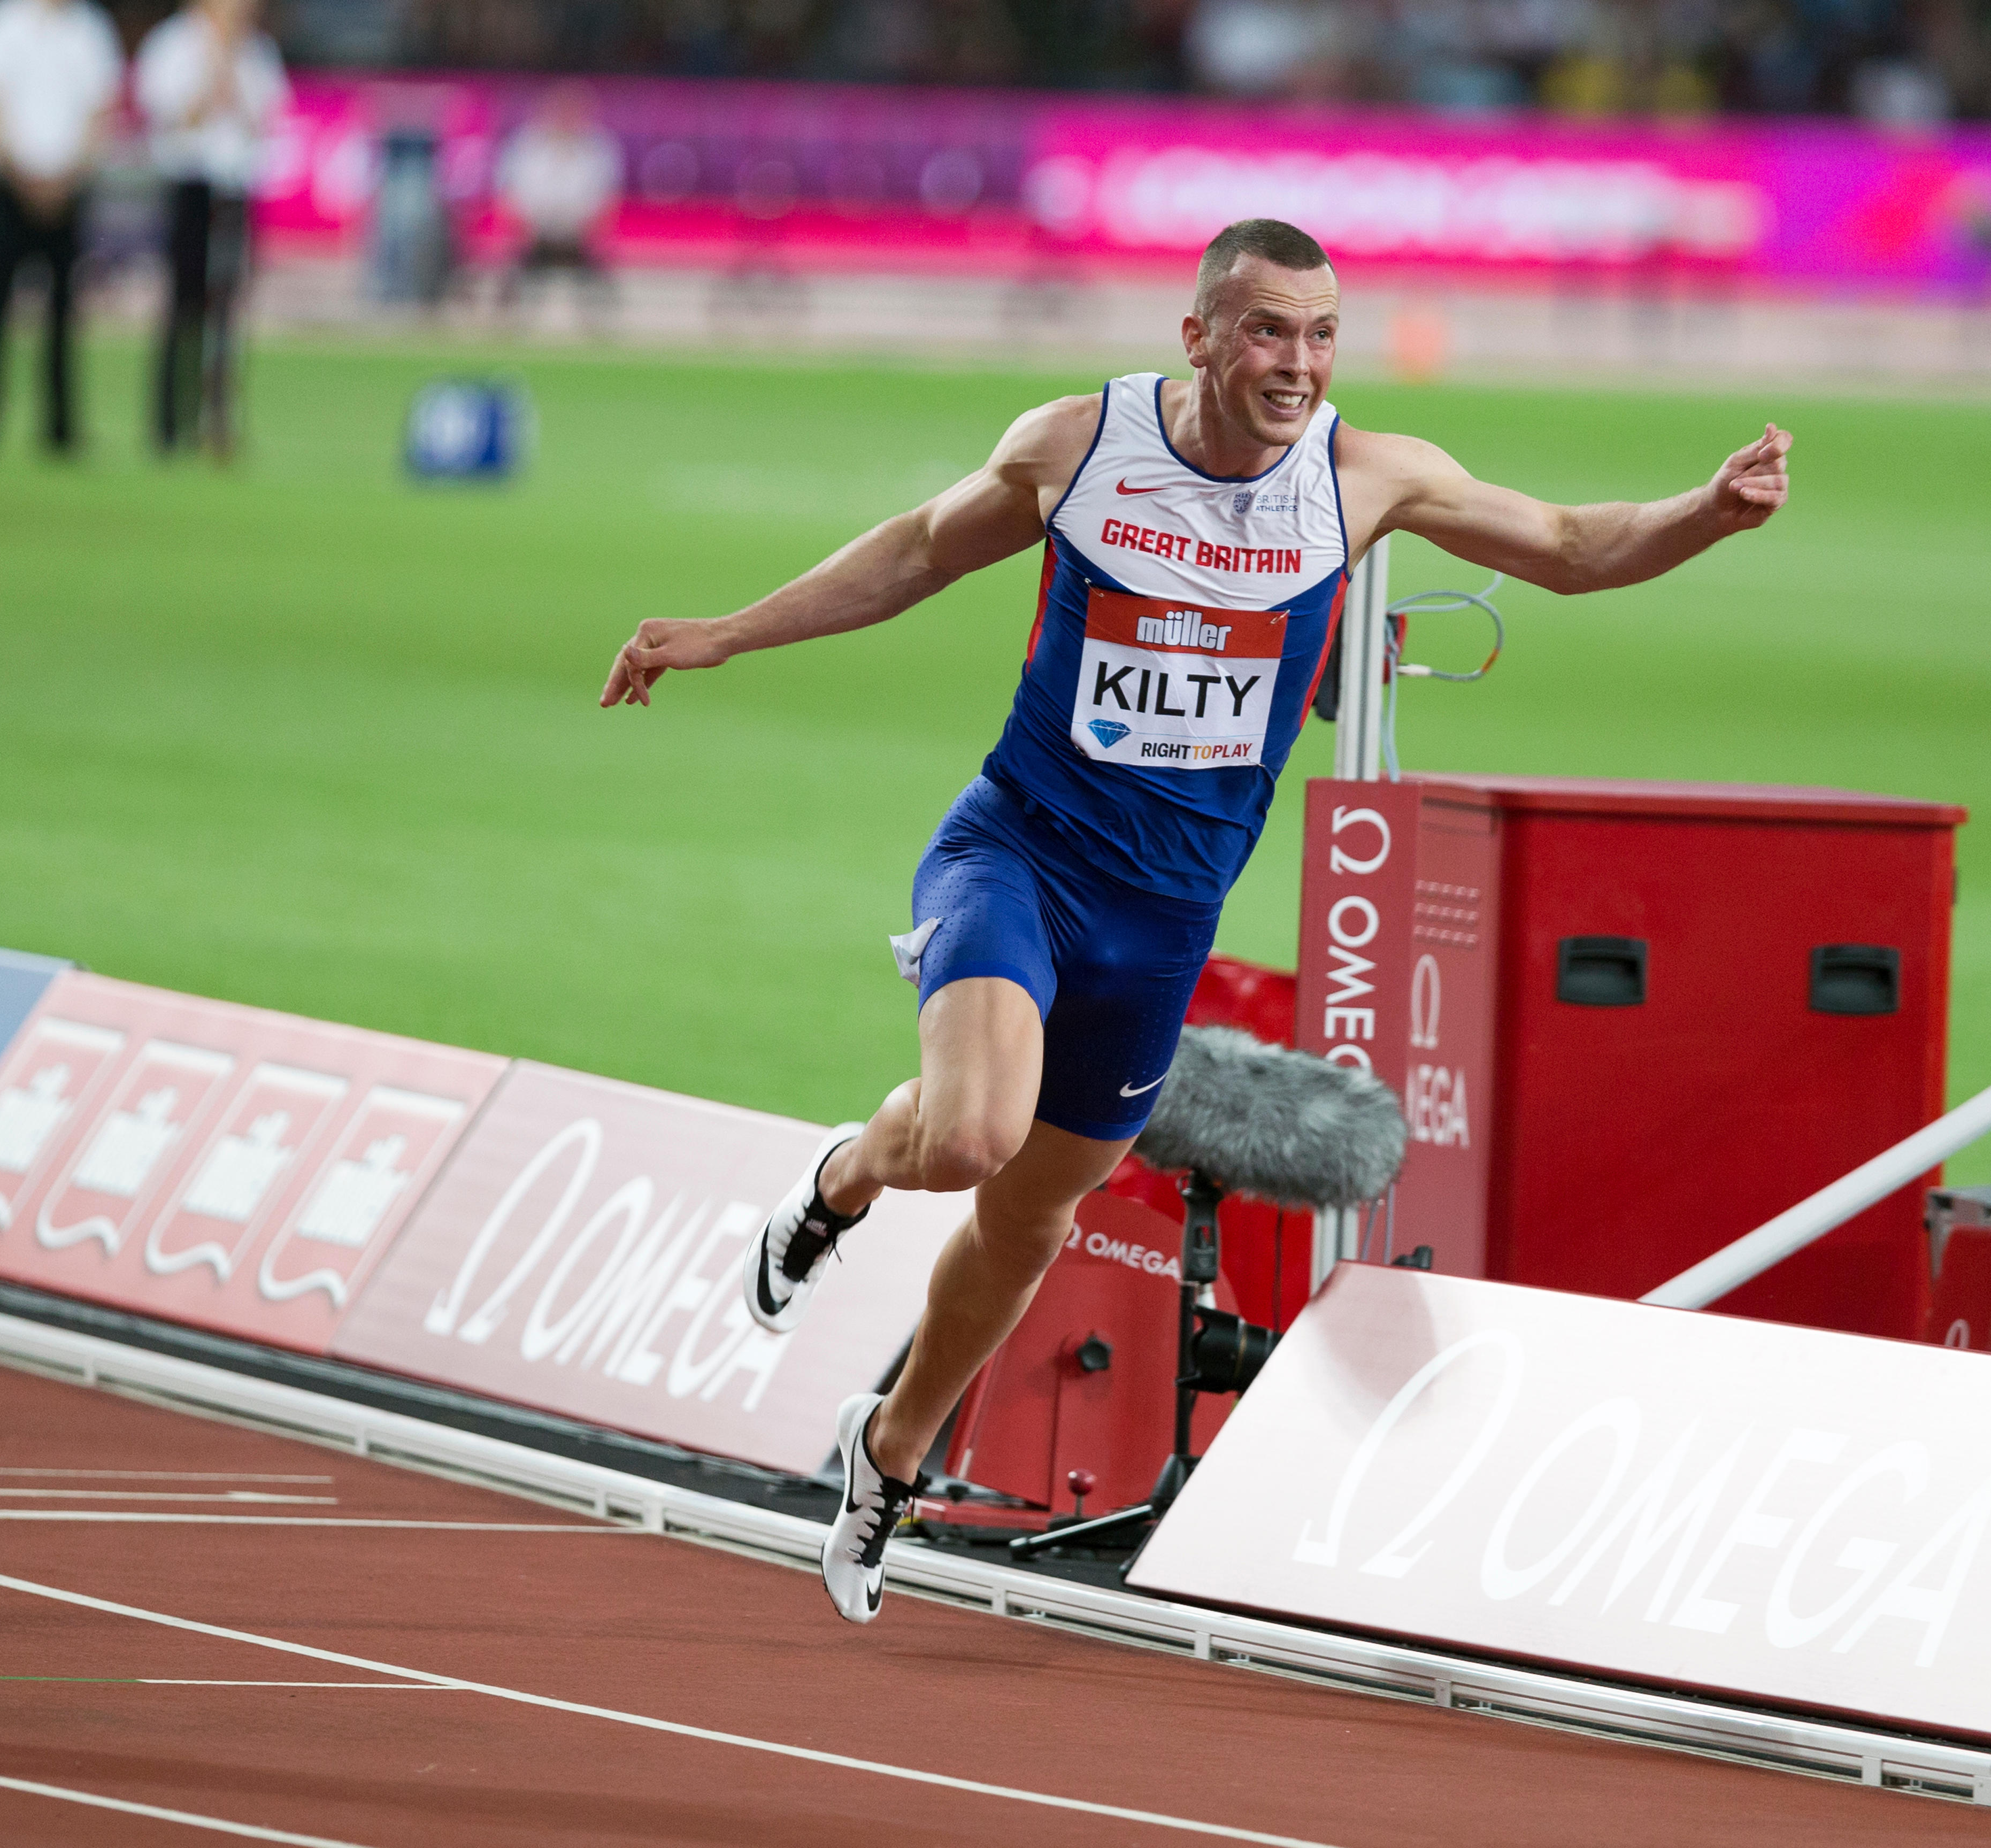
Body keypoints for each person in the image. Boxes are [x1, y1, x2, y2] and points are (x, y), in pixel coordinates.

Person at [601, 218, 1792, 1626]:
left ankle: (892, 1446)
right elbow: (921, 551)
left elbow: (1574, 547)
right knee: (975, 1133)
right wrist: (725, 632)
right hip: (1020, 857)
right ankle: (849, 1177)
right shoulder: (1078, 447)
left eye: (1321, 333)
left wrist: (1707, 512)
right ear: (1200, 337)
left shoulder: (1366, 479)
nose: (1298, 363)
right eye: (1269, 331)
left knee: (1034, 1208)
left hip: (1162, 920)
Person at [0, 0, 122, 455]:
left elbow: (100, 113)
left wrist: (66, 178)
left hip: (70, 188)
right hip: (10, 186)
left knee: (65, 313)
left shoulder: (90, 30)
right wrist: (22, 176)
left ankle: (61, 428)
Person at [135, 0, 289, 457]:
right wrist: (215, 64)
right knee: (182, 306)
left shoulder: (258, 52)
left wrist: (232, 66)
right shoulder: (172, 46)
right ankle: (169, 421)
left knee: (228, 307)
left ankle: (218, 417)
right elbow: (180, 118)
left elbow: (261, 121)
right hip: (190, 185)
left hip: (234, 190)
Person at [494, 84, 622, 310]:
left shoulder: (599, 147)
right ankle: (506, 328)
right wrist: (525, 229)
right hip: (535, 235)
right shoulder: (525, 145)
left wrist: (588, 231)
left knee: (599, 278)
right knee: (511, 274)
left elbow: (607, 200)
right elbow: (509, 196)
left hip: (579, 236)